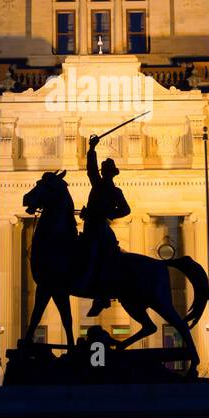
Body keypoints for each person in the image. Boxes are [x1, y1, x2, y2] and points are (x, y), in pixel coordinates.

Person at [78, 133, 129, 316]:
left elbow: (126, 210)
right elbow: (91, 169)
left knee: (95, 255)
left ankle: (102, 295)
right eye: (103, 170)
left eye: (106, 171)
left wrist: (107, 214)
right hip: (90, 226)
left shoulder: (114, 191)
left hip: (100, 230)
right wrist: (92, 149)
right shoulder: (98, 185)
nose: (102, 173)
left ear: (111, 174)